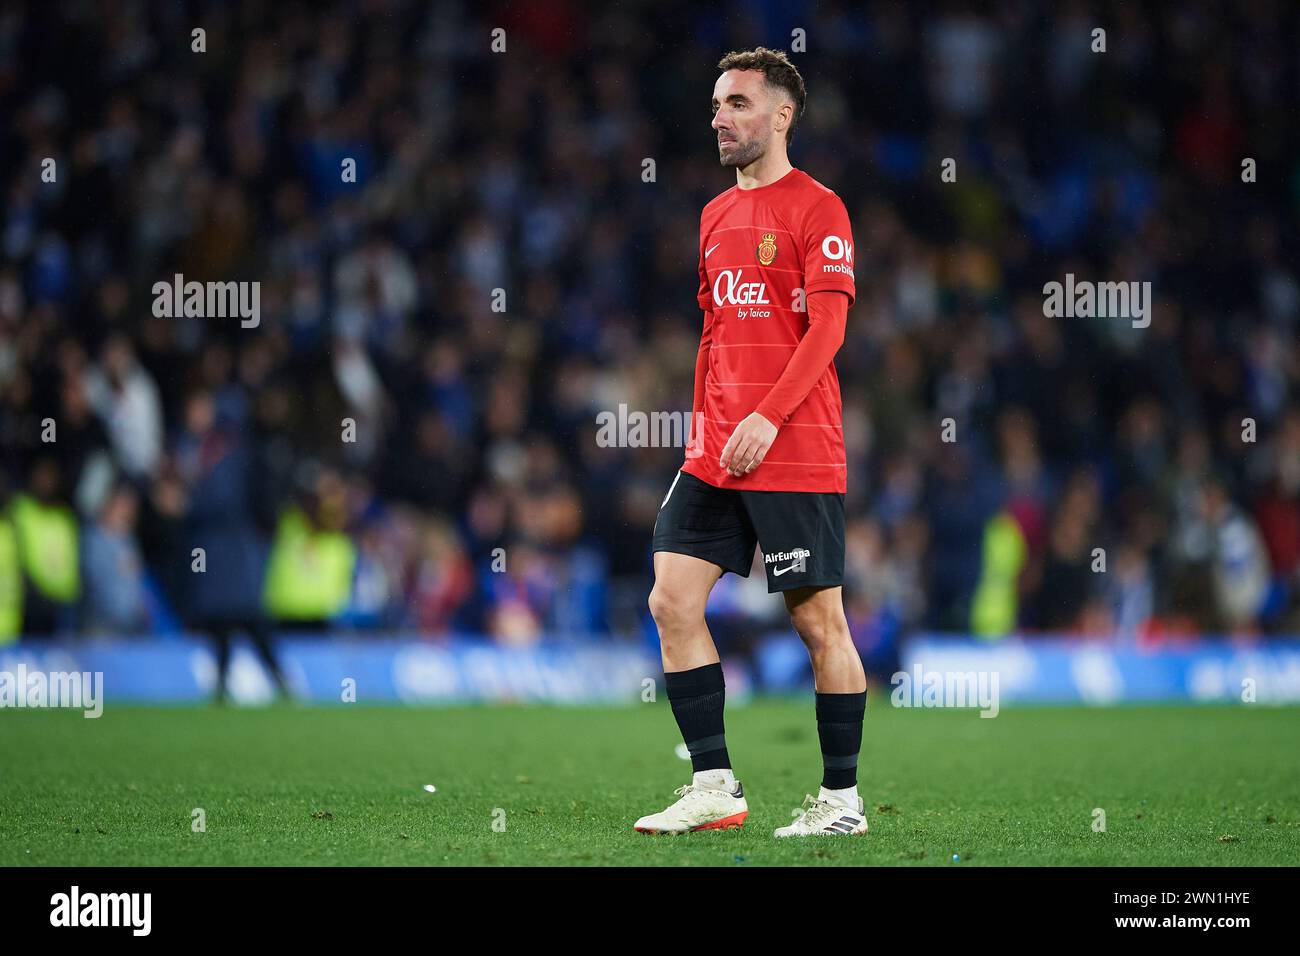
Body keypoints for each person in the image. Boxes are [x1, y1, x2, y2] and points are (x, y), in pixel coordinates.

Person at [635, 49, 868, 837]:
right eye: (715, 105)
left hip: (795, 445)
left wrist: (767, 414)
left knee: (817, 625)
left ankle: (841, 801)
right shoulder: (712, 216)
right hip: (716, 450)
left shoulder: (819, 208)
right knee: (671, 599)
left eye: (737, 103)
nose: (720, 119)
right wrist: (707, 424)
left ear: (781, 116)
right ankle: (714, 785)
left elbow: (828, 325)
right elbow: (714, 330)